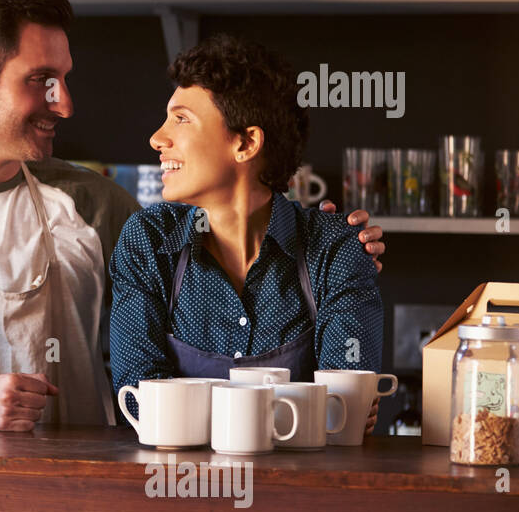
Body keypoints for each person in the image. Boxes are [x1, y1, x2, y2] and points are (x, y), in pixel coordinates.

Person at [0, 0, 386, 431]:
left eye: (66, 78)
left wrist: (323, 244)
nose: (66, 104)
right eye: (41, 80)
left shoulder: (99, 205)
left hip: (78, 504)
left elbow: (219, 253)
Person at [109, 35, 385, 427]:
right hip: (177, 485)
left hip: (304, 488)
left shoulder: (335, 247)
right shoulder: (149, 241)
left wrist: (194, 410)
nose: (157, 138)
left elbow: (344, 414)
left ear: (246, 143)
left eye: (182, 119)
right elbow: (137, 399)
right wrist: (296, 410)